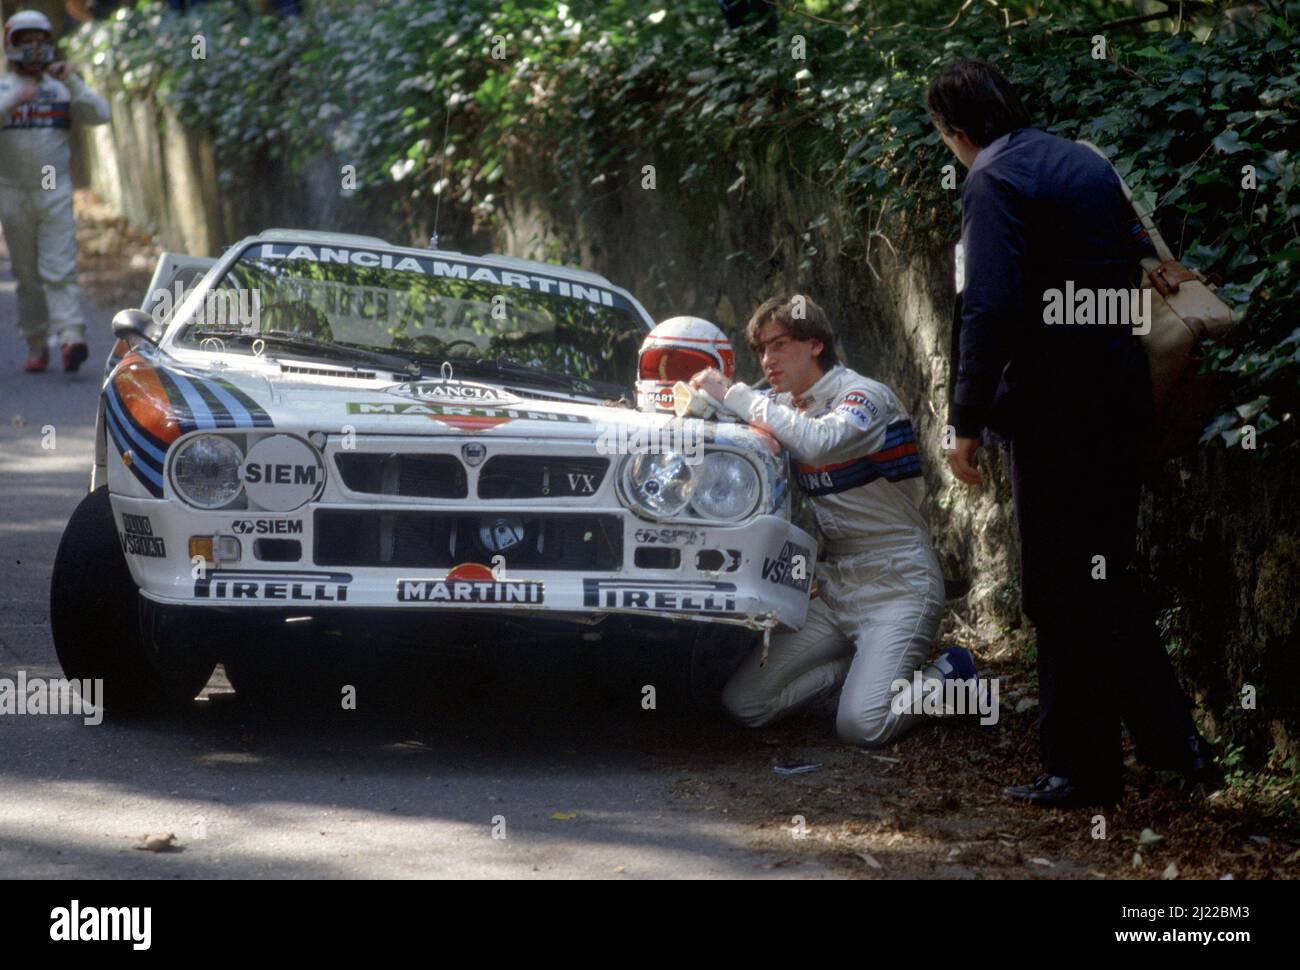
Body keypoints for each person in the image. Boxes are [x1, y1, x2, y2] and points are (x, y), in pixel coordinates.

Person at [928, 58, 1214, 807]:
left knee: (1060, 589)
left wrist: (963, 420)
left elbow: (988, 307)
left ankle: (1080, 770)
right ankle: (1175, 747)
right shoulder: (1082, 159)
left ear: (954, 131)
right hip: (1118, 394)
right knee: (1106, 574)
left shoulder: (992, 180)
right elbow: (1133, 250)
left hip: (1054, 411)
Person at [691, 295, 977, 747]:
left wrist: (737, 395)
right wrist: (696, 396)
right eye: (761, 350)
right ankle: (857, 672)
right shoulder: (781, 402)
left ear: (815, 345)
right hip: (836, 583)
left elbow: (819, 442)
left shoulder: (864, 397)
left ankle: (949, 677)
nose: (767, 359)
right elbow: (726, 415)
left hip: (900, 582)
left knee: (862, 726)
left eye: (779, 344)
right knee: (744, 704)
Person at [0, 9, 110, 373]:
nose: (33, 49)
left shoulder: (61, 87)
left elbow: (101, 114)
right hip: (13, 191)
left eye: (40, 41)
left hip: (55, 190)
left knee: (59, 270)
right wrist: (12, 101)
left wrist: (74, 82)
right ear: (11, 44)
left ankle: (70, 338)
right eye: (25, 41)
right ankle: (36, 342)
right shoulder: (3, 88)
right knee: (27, 276)